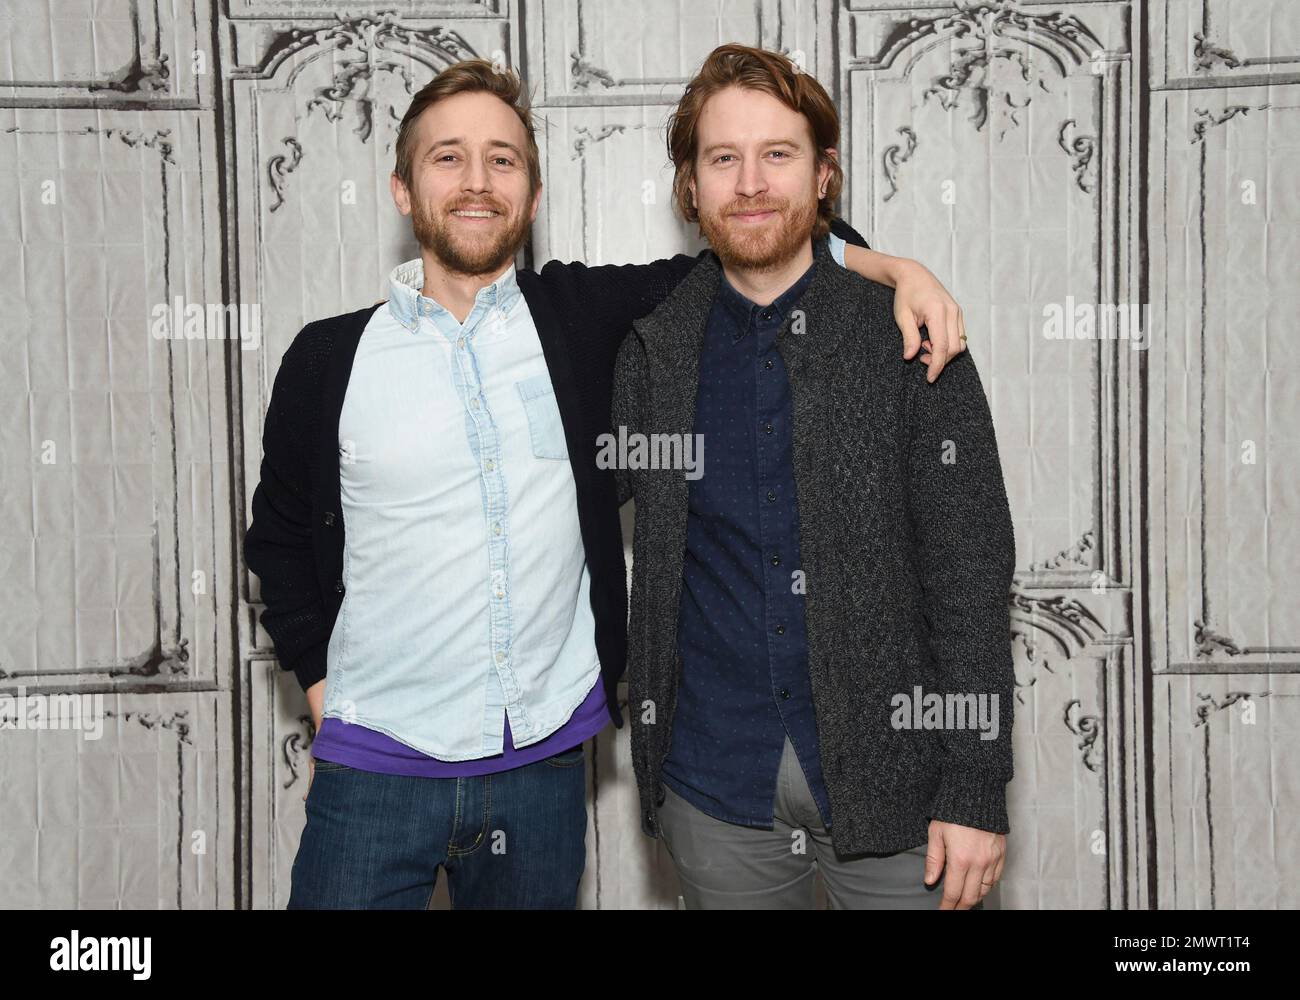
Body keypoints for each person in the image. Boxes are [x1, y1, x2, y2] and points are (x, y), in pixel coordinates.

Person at [244, 57, 968, 909]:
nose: (477, 181)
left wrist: (888, 266)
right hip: (373, 770)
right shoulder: (328, 357)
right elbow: (280, 536)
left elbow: (757, 237)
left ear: (534, 194)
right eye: (447, 158)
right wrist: (323, 687)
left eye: (503, 159)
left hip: (540, 769)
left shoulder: (582, 323)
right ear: (402, 189)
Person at [611, 43, 1017, 910]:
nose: (750, 182)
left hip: (903, 797)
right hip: (717, 795)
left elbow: (970, 570)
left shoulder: (910, 337)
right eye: (724, 158)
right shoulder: (656, 350)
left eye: (778, 154)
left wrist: (976, 785)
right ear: (690, 186)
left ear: (824, 174)